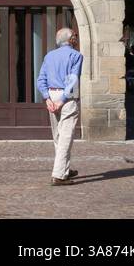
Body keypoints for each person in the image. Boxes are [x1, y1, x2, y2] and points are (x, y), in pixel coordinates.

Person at [36, 27, 82, 186]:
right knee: (65, 137)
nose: (76, 38)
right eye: (75, 36)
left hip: (52, 96)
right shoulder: (76, 55)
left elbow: (41, 79)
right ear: (71, 40)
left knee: (58, 137)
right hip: (66, 98)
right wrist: (62, 100)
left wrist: (47, 98)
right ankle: (59, 175)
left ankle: (64, 169)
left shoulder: (49, 56)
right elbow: (73, 80)